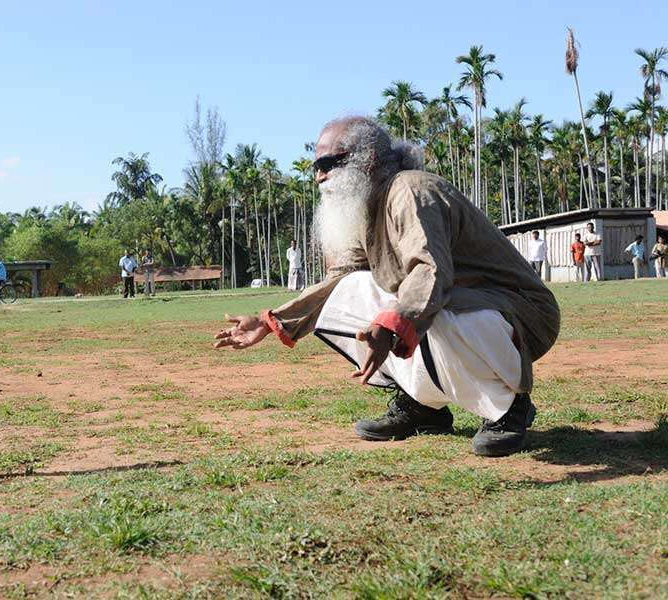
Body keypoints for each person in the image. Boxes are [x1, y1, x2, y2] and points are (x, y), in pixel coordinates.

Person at [213, 117, 559, 457]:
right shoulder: (368, 210)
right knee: (350, 290)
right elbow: (340, 282)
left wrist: (394, 322)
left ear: (369, 160)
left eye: (328, 163)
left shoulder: (410, 189)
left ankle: (510, 407)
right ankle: (423, 406)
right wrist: (272, 321)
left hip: (519, 313)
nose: (319, 176)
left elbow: (430, 273)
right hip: (459, 307)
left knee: (427, 307)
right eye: (314, 166)